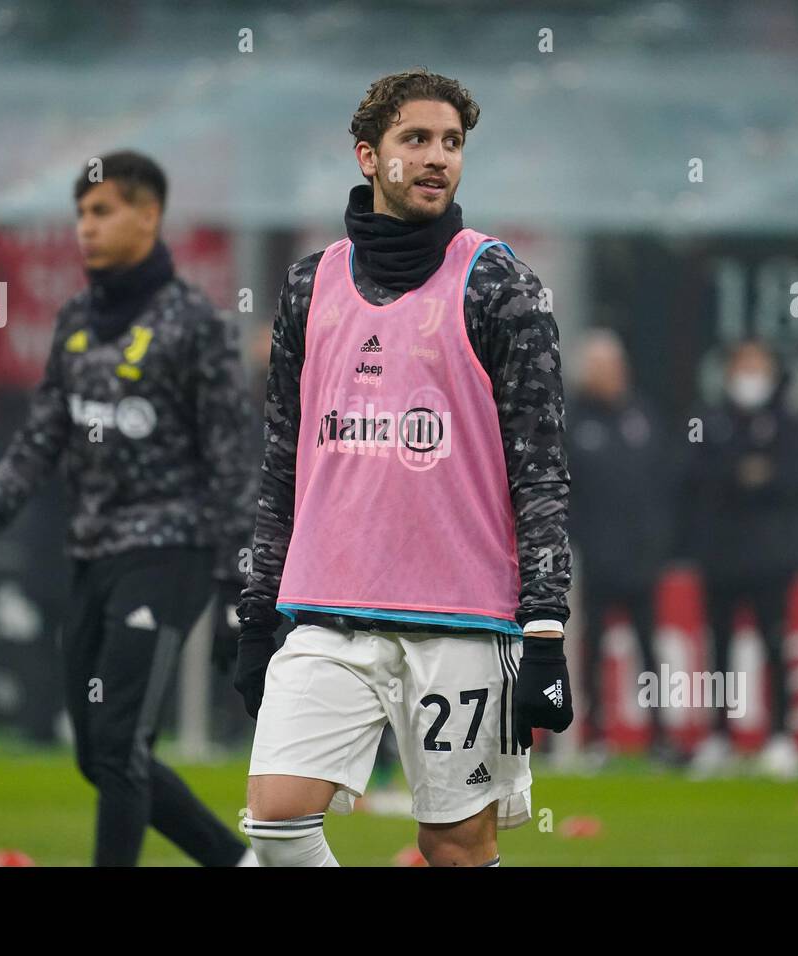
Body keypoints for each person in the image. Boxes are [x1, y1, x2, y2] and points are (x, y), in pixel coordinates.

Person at [234, 69, 573, 867]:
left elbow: (543, 468)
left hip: (461, 621)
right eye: (415, 139)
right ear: (367, 155)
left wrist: (547, 630)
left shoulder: (500, 283)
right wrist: (258, 611)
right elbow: (283, 459)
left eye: (452, 143)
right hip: (325, 609)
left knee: (456, 850)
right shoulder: (307, 286)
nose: (437, 158)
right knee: (276, 824)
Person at [0, 151, 256, 866]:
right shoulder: (77, 319)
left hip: (170, 552)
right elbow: (42, 434)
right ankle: (236, 861)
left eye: (103, 211)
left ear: (149, 215)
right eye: (81, 213)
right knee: (98, 753)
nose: (86, 227)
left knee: (120, 746)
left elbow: (234, 462)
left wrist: (241, 584)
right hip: (90, 552)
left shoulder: (194, 324)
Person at [685, 339, 798, 780]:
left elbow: (792, 480)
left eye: (758, 364)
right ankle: (719, 736)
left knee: (775, 644)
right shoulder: (710, 419)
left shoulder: (786, 422)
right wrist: (747, 474)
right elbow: (699, 476)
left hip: (771, 558)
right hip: (720, 556)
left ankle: (780, 736)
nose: (750, 373)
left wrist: (742, 476)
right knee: (718, 650)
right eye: (743, 364)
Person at [568, 329, 685, 767]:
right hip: (591, 563)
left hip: (640, 561)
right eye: (602, 368)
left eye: (616, 366)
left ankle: (660, 736)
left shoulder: (644, 417)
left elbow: (664, 482)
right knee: (590, 651)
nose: (613, 375)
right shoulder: (571, 421)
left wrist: (658, 542)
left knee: (649, 651)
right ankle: (593, 736)